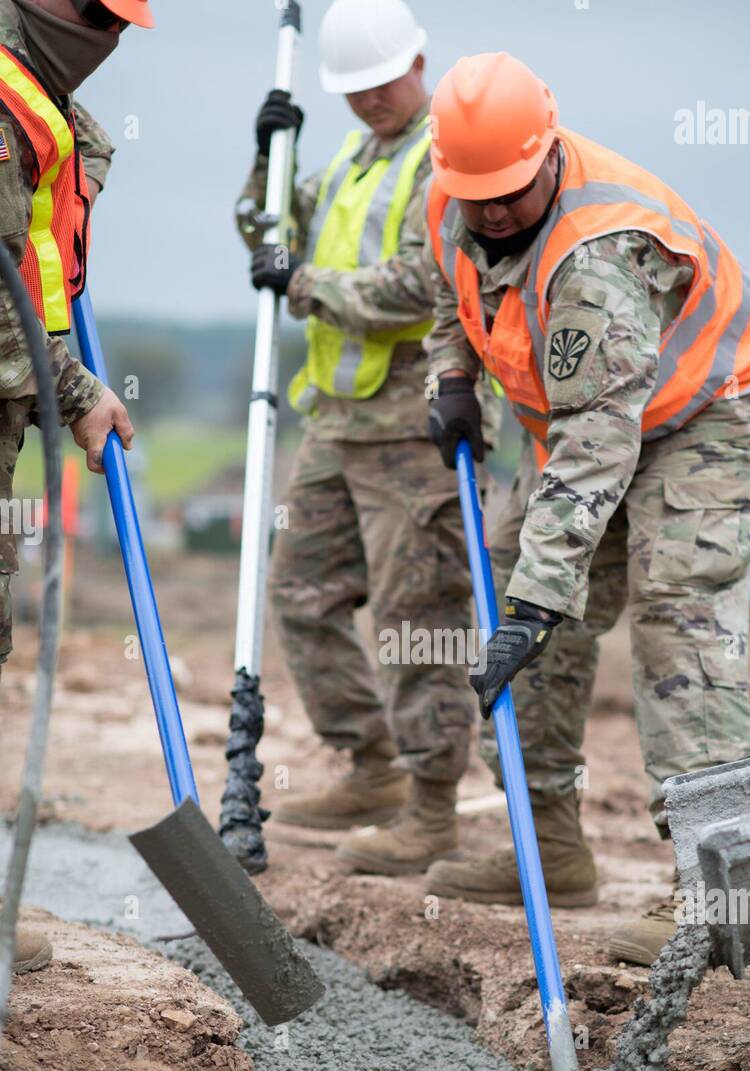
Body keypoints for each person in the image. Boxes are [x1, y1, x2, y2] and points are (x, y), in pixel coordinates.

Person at [422, 52, 750, 962]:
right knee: (522, 593)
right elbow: (451, 286)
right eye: (477, 194)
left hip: (714, 404)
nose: (495, 210)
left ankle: (720, 895)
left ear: (548, 151)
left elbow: (598, 445)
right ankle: (549, 846)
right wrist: (453, 375)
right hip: (592, 416)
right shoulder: (454, 193)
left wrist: (541, 603)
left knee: (677, 610)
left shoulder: (600, 256)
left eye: (512, 190)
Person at [237, 0, 498, 877]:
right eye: (353, 92)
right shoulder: (354, 157)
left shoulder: (451, 157)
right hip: (336, 422)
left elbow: (426, 283)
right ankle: (370, 765)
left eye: (381, 85)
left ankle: (431, 809)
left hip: (415, 426)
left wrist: (307, 285)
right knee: (300, 594)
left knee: (418, 616)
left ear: (418, 63)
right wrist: (265, 161)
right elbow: (267, 233)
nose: (369, 102)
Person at [0, 0, 154, 973]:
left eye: (116, 19)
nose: (104, 34)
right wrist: (75, 387)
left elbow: (36, 261)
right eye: (94, 12)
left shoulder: (37, 98)